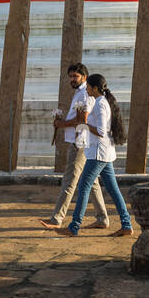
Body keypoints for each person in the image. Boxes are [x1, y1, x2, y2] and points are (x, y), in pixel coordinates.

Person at [57, 73, 133, 237]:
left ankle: (74, 227)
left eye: (89, 87)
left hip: (99, 153)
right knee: (113, 190)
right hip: (103, 153)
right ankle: (126, 224)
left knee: (84, 187)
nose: (87, 90)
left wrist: (84, 124)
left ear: (95, 88)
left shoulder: (100, 104)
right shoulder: (102, 102)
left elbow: (100, 131)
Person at [40, 63, 109, 229]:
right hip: (84, 141)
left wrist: (61, 124)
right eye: (70, 76)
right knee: (91, 182)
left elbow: (81, 120)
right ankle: (102, 218)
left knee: (70, 180)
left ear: (84, 77)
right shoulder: (80, 93)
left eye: (75, 76)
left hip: (81, 142)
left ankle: (57, 218)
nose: (72, 79)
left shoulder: (85, 94)